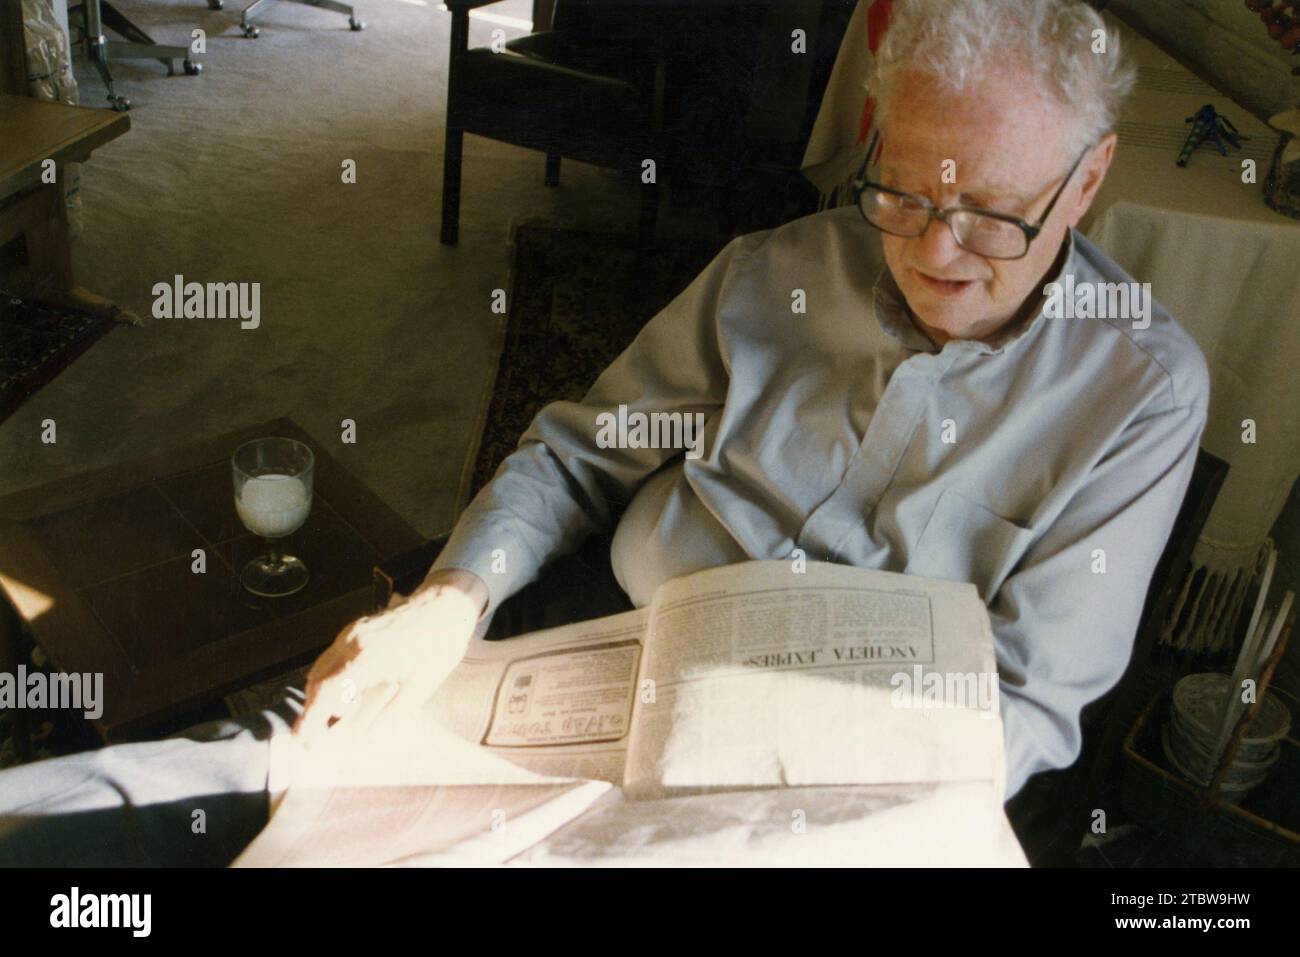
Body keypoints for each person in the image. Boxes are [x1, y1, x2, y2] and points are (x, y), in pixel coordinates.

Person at [0, 0, 1207, 865]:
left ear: (1087, 177)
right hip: (586, 643)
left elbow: (1034, 706)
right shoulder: (774, 270)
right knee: (245, 779)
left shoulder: (1141, 392)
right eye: (899, 193)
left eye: (992, 212)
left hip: (836, 774)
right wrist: (455, 597)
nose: (935, 252)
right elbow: (581, 453)